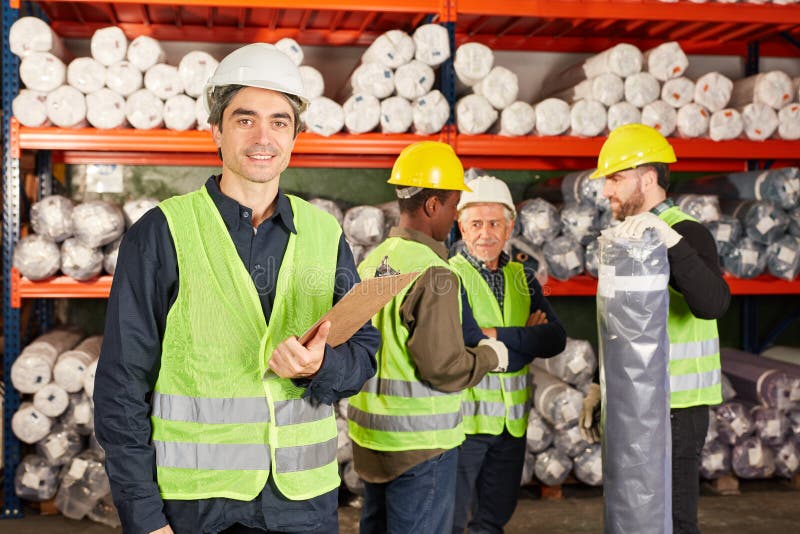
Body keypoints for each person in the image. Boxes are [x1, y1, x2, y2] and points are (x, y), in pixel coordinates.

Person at [94, 43, 380, 534]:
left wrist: (322, 366)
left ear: (294, 137)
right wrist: (143, 516)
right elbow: (121, 387)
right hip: (198, 507)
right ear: (216, 132)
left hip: (303, 504)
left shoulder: (324, 234)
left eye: (280, 121)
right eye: (245, 119)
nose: (263, 136)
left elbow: (363, 354)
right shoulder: (163, 233)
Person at [348, 141, 509, 534]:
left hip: (372, 440)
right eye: (454, 205)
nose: (455, 217)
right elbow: (443, 369)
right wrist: (492, 357)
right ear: (433, 206)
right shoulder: (434, 272)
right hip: (420, 445)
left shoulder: (375, 261)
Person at [580, 123, 730, 534]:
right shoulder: (625, 239)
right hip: (633, 400)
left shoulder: (686, 231)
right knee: (633, 511)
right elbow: (623, 323)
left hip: (677, 405)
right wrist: (599, 384)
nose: (607, 190)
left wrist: (671, 242)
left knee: (674, 517)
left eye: (615, 178)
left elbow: (713, 303)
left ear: (648, 178)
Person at [449, 176, 567, 534]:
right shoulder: (448, 277)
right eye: (476, 224)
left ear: (510, 226)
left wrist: (497, 335)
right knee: (453, 520)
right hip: (465, 428)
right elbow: (464, 346)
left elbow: (554, 339)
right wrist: (524, 342)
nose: (486, 233)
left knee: (493, 519)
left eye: (495, 223)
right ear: (461, 227)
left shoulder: (524, 278)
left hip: (510, 427)